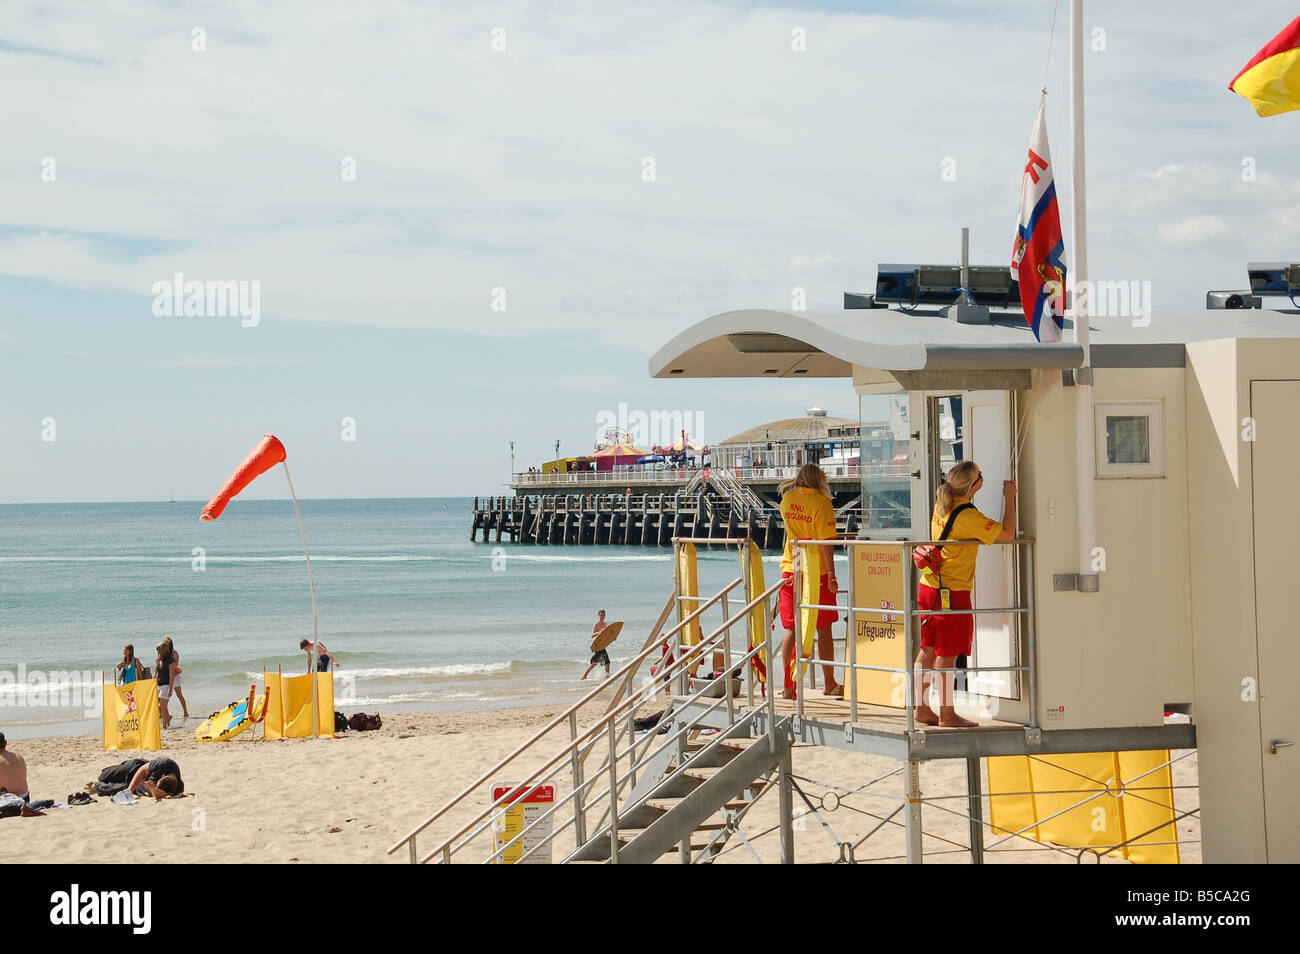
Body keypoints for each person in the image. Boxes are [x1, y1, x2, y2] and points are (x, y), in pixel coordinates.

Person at [914, 461, 1017, 728]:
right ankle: (947, 714)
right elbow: (1006, 534)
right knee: (947, 654)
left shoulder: (942, 504)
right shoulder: (967, 516)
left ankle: (922, 709)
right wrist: (1010, 499)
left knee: (926, 649)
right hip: (952, 590)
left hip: (928, 586)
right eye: (980, 476)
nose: (983, 477)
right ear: (973, 485)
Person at [777, 464, 842, 701]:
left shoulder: (787, 499)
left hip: (791, 567)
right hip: (816, 572)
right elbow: (826, 542)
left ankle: (788, 685)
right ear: (819, 480)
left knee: (792, 629)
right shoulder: (821, 503)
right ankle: (830, 683)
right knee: (823, 629)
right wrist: (832, 575)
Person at [155, 639, 179, 729]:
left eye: (159, 650)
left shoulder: (170, 660)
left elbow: (172, 674)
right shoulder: (159, 659)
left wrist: (170, 688)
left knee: (162, 705)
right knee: (162, 706)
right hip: (159, 684)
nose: (158, 652)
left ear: (163, 650)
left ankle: (164, 726)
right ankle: (168, 718)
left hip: (166, 685)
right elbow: (156, 672)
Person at [581, 610, 611, 680]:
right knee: (598, 662)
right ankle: (584, 676)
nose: (602, 616)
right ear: (598, 615)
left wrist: (612, 638)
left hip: (602, 645)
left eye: (603, 615)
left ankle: (607, 676)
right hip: (597, 645)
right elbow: (592, 635)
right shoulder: (597, 624)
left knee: (605, 662)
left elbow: (606, 636)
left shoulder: (605, 624)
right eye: (601, 615)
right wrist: (599, 632)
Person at [166, 640, 190, 718]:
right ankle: (163, 713)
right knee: (165, 696)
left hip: (175, 676)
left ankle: (185, 712)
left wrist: (171, 677)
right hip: (167, 677)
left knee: (179, 695)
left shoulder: (174, 653)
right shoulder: (164, 653)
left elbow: (175, 666)